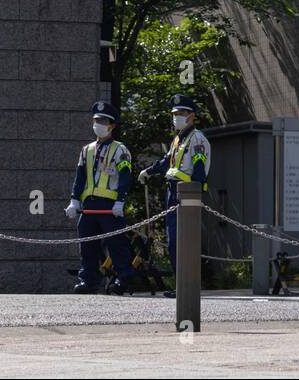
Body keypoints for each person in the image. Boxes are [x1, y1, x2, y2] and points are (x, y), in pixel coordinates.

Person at [139, 94, 210, 297]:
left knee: (183, 241)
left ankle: (187, 286)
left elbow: (198, 169)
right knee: (174, 242)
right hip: (174, 192)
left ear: (192, 116)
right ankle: (182, 285)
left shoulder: (196, 139)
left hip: (186, 193)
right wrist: (150, 171)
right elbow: (165, 161)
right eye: (175, 113)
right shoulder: (179, 139)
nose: (177, 116)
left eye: (182, 113)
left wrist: (194, 194)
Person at [67, 101, 135, 295]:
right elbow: (80, 177)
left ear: (111, 125)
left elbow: (125, 177)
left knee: (116, 244)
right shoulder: (86, 150)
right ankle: (88, 280)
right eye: (96, 120)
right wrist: (74, 200)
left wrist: (120, 201)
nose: (98, 124)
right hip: (89, 205)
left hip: (109, 205)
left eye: (103, 121)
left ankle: (124, 278)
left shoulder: (120, 149)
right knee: (87, 244)